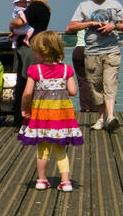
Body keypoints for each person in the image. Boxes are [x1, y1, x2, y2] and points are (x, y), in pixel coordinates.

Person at [17, 30, 83, 190]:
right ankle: (66, 181)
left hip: (42, 116)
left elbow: (27, 93)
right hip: (60, 116)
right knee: (61, 149)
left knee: (42, 149)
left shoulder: (35, 70)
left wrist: (24, 107)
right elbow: (73, 91)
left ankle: (41, 180)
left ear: (40, 52)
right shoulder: (67, 70)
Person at [67, 0, 123, 131]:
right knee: (95, 86)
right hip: (91, 52)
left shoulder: (115, 5)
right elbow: (71, 27)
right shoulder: (84, 6)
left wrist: (113, 26)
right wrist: (90, 23)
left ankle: (110, 116)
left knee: (110, 83)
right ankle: (102, 118)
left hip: (111, 50)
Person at [12, 0, 52, 129]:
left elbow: (20, 22)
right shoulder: (45, 7)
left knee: (26, 83)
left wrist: (11, 24)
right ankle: (34, 116)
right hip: (38, 46)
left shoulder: (35, 6)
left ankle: (23, 119)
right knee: (33, 82)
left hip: (29, 48)